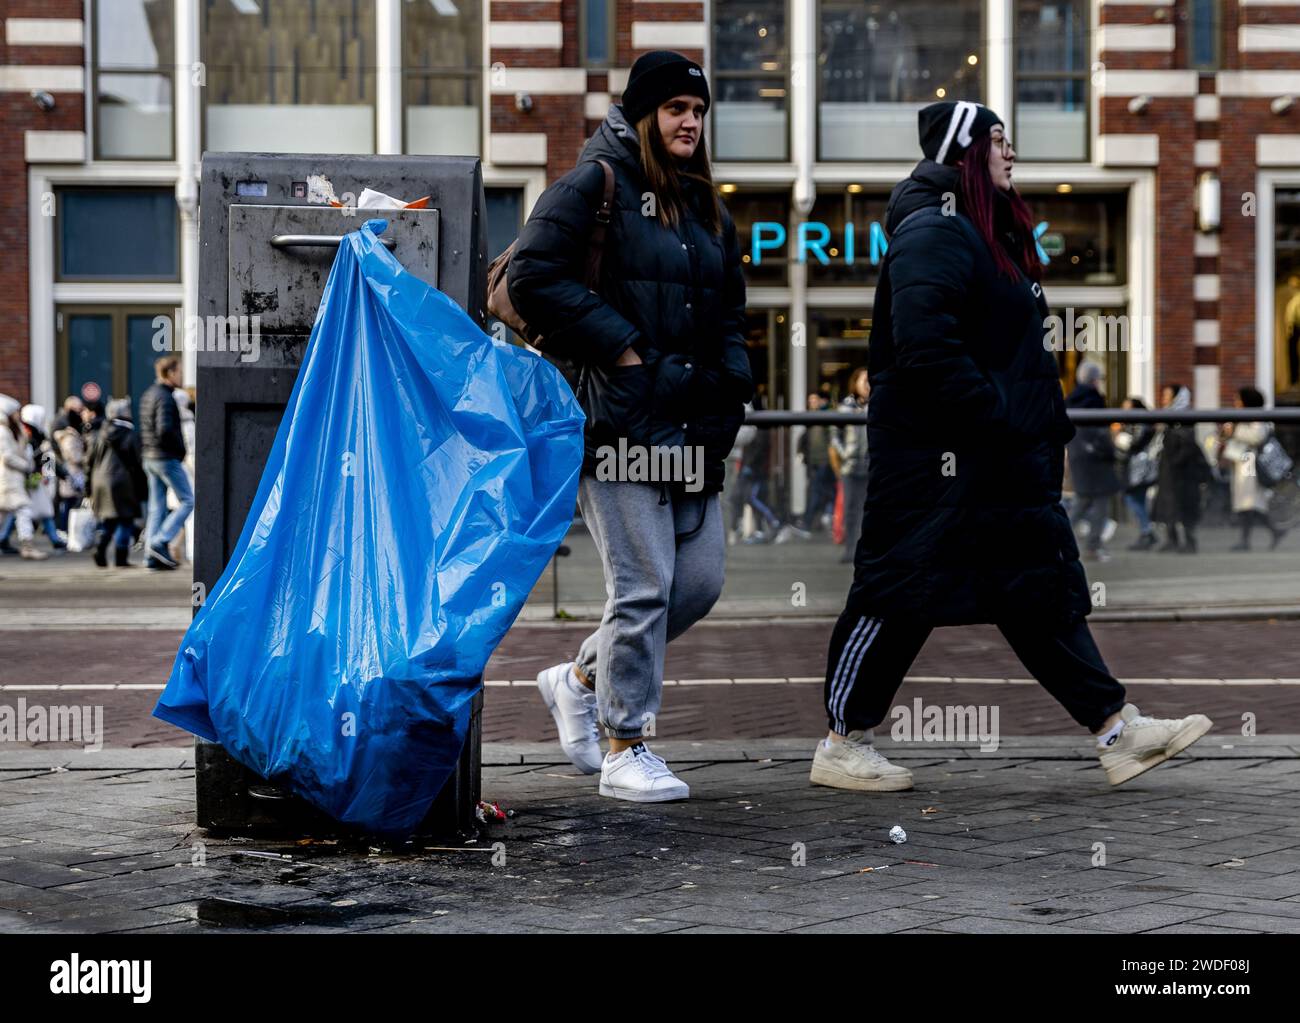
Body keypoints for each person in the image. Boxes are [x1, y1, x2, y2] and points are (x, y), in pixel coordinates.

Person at [812, 102, 1212, 793]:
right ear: (965, 152)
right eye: (997, 141)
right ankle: (841, 740)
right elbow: (925, 346)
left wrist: (1026, 428)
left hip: (998, 461)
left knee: (1038, 588)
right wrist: (997, 415)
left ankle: (1115, 730)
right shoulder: (934, 231)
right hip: (937, 464)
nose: (1010, 153)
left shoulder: (981, 231)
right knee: (899, 589)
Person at [508, 51, 752, 802]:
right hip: (617, 425)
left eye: (699, 110)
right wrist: (622, 346)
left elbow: (732, 315)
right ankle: (625, 743)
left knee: (698, 584)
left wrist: (732, 386)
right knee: (643, 586)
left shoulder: (708, 205)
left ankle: (579, 675)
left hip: (691, 430)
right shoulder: (596, 181)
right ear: (646, 113)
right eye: (676, 108)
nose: (690, 122)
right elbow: (529, 278)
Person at [139, 355, 193, 570]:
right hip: (165, 456)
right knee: (188, 500)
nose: (181, 375)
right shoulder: (166, 398)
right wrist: (179, 451)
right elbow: (165, 429)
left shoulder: (148, 394)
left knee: (156, 507)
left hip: (149, 456)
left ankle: (150, 557)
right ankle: (160, 541)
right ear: (170, 373)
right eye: (179, 371)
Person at [1220, 386, 1289, 551]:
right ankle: (1275, 531)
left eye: (1239, 399)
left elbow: (1257, 436)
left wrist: (1235, 431)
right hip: (1241, 460)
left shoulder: (1256, 417)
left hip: (1249, 462)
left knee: (1248, 502)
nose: (1236, 403)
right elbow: (1226, 436)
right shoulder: (1239, 417)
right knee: (1248, 503)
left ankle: (1247, 541)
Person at [1064, 361, 1121, 562]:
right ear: (1094, 380)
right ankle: (1092, 546)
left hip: (1080, 460)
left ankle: (1060, 540)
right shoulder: (1093, 400)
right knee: (1100, 505)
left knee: (1082, 502)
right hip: (1096, 461)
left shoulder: (1071, 400)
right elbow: (1101, 434)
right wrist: (1112, 452)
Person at [87, 398, 149, 568]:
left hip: (100, 480)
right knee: (125, 520)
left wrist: (88, 486)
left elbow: (90, 461)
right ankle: (121, 557)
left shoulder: (99, 433)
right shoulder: (130, 434)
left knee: (108, 519)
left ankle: (100, 550)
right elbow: (137, 462)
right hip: (124, 482)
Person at [1153, 383, 1209, 553]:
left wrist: (1175, 462)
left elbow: (1186, 444)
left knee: (1183, 506)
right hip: (1170, 470)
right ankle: (1173, 539)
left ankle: (1189, 541)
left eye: (1167, 396)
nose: (1164, 400)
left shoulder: (1182, 417)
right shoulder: (1170, 417)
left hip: (1181, 472)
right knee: (1169, 506)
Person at [0, 394, 48, 560]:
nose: (18, 415)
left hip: (14, 480)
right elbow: (7, 457)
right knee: (23, 510)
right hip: (8, 480)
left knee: (13, 513)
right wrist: (26, 466)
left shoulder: (15, 430)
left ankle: (26, 545)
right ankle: (27, 546)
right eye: (15, 412)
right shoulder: (3, 432)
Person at [831, 367, 871, 564]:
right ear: (855, 383)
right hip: (850, 468)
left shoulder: (876, 405)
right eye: (863, 381)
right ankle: (850, 549)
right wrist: (844, 454)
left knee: (867, 509)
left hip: (870, 467)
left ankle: (865, 549)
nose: (867, 385)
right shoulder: (845, 407)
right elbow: (835, 436)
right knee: (850, 509)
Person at [1112, 396, 1160, 550]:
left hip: (1139, 469)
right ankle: (1146, 532)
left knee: (1132, 498)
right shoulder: (1135, 423)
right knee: (1137, 500)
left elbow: (1134, 443)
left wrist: (1120, 437)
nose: (1124, 411)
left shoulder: (1140, 424)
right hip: (1136, 468)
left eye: (1128, 407)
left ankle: (1147, 532)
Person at [797, 393, 836, 535]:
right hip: (812, 462)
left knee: (817, 491)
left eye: (815, 400)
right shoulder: (809, 419)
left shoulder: (824, 417)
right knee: (822, 491)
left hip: (824, 461)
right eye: (810, 400)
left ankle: (808, 523)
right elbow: (804, 439)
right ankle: (823, 518)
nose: (812, 402)